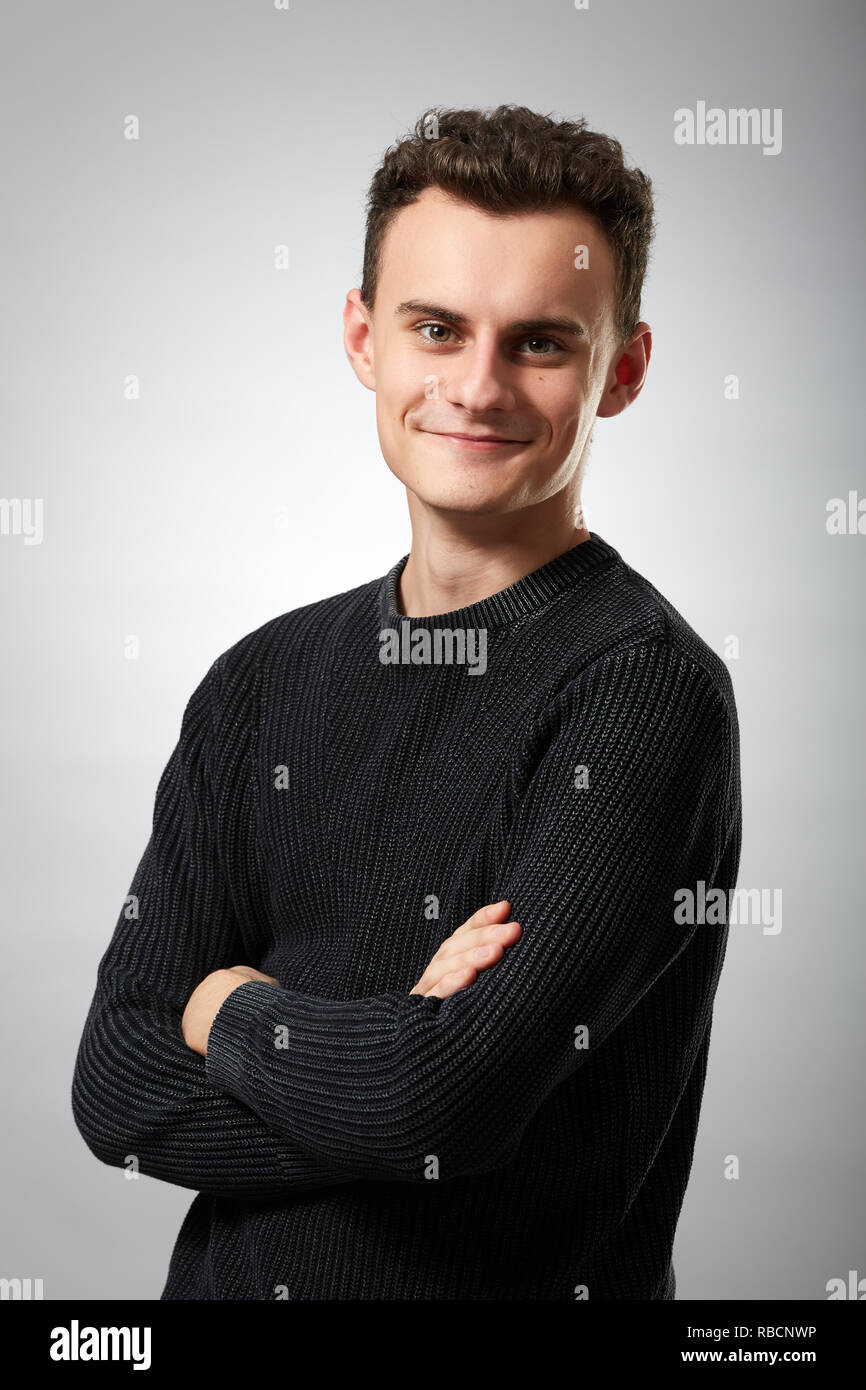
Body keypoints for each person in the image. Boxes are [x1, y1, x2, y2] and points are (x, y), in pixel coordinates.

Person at [72, 104, 741, 1301]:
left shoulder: (642, 693)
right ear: (363, 337)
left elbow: (450, 1100)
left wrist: (229, 1010)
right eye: (435, 327)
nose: (474, 388)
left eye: (538, 342)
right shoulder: (257, 683)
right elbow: (115, 1087)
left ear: (622, 369)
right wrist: (387, 1067)